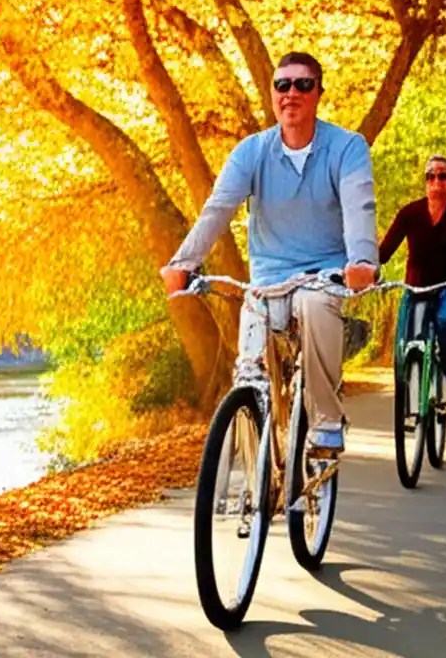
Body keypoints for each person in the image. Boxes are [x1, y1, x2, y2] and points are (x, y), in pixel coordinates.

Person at [160, 51, 378, 446]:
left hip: (324, 275)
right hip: (267, 280)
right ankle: (251, 472)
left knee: (315, 307)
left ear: (318, 93)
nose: (291, 93)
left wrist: (362, 261)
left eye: (302, 84)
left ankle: (326, 422)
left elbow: (359, 206)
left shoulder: (347, 148)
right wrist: (183, 262)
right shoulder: (251, 152)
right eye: (282, 85)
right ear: (273, 94)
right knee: (248, 373)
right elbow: (218, 208)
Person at [378, 155, 446, 404]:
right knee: (406, 339)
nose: (436, 180)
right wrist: (364, 265)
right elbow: (384, 252)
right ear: (425, 181)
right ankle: (410, 393)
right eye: (431, 176)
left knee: (445, 320)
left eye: (443, 175)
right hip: (417, 285)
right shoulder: (410, 213)